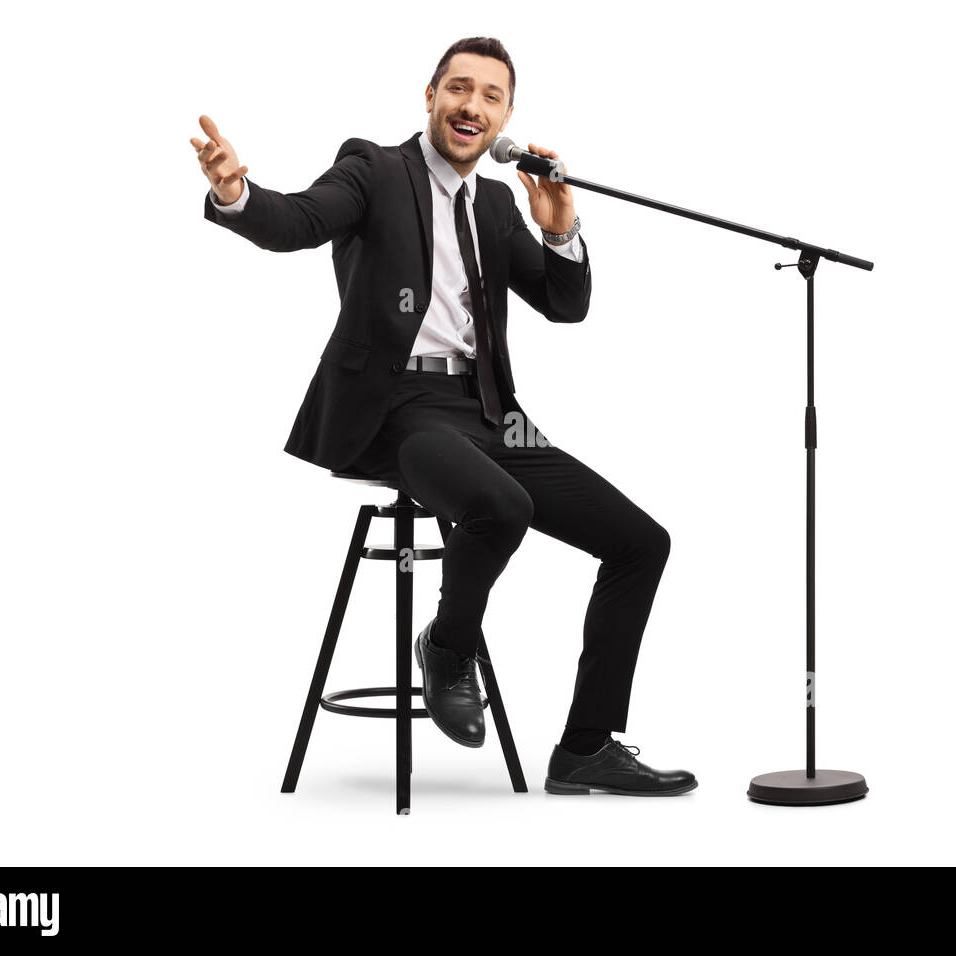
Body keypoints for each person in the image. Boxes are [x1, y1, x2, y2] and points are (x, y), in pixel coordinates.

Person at [191, 36, 696, 797]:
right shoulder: (373, 169)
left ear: (506, 119)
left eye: (491, 97)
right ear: (429, 97)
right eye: (459, 89)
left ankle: (585, 748)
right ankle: (448, 645)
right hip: (395, 410)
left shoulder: (494, 202)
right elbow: (296, 220)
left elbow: (566, 306)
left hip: (488, 413)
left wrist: (558, 227)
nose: (472, 106)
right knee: (500, 506)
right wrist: (237, 194)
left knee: (640, 542)